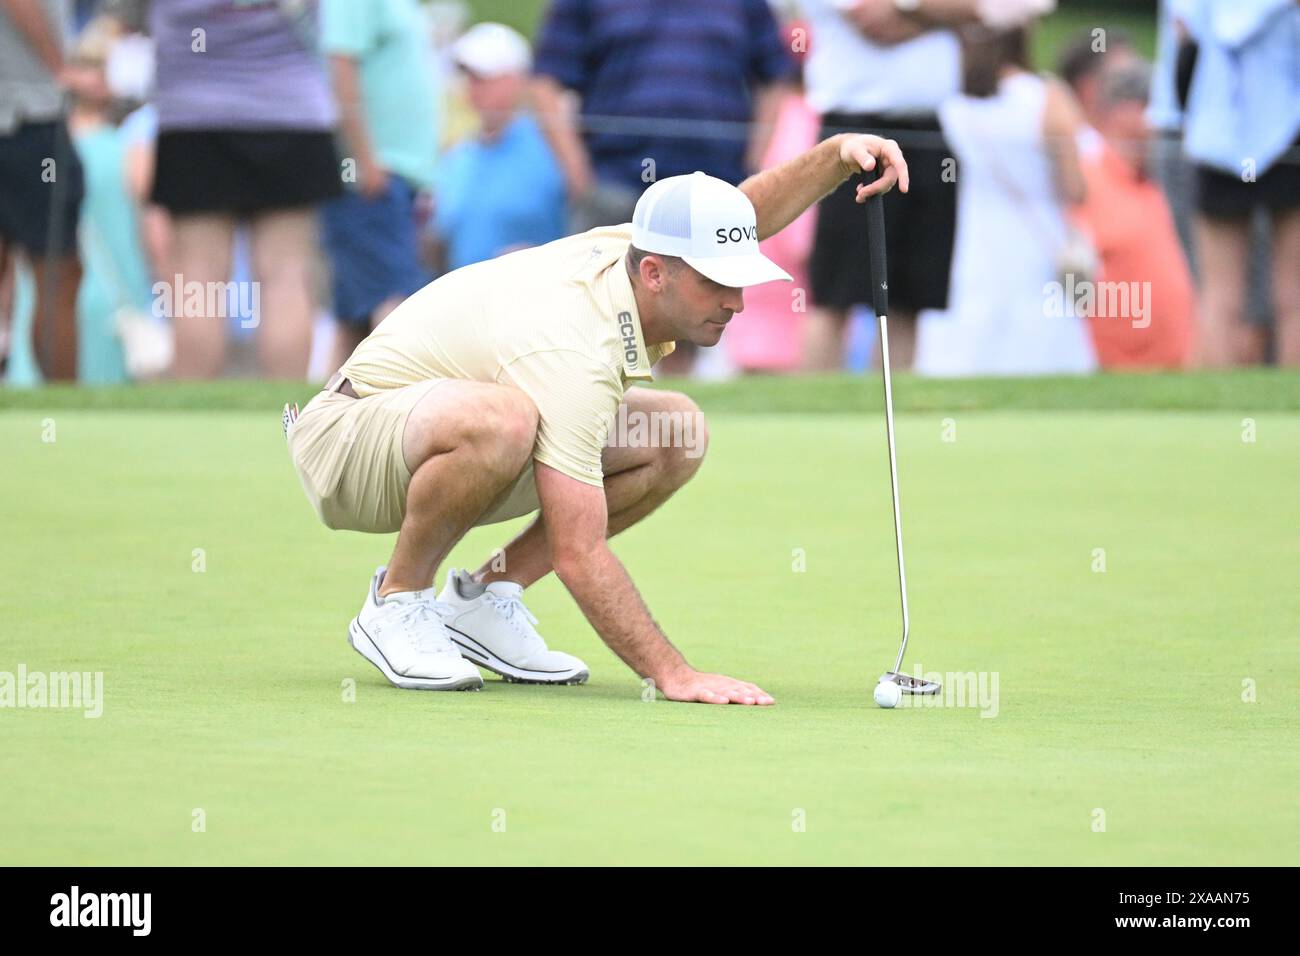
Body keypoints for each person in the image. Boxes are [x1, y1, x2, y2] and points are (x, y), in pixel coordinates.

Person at [286, 133, 908, 705]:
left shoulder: (636, 255)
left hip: (433, 429)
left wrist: (834, 156)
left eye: (738, 281)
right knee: (504, 420)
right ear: (656, 274)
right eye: (718, 283)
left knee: (676, 432)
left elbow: (741, 215)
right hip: (347, 441)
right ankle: (396, 600)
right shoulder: (574, 349)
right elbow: (577, 551)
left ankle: (481, 601)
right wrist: (673, 672)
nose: (736, 302)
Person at [147, 0, 340, 379]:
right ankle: (285, 421)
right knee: (286, 275)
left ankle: (190, 419)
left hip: (194, 117)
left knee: (198, 278)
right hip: (291, 114)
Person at [917, 23, 1096, 376]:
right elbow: (1076, 188)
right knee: (1040, 335)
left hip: (973, 237)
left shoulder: (952, 103)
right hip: (1037, 236)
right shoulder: (1046, 97)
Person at [1176, 0, 1300, 366]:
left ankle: (1215, 417)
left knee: (1219, 296)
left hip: (1218, 137)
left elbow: (1186, 41)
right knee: (1293, 295)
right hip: (1286, 133)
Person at [319, 0, 440, 375]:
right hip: (372, 178)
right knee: (395, 305)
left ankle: (322, 423)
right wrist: (365, 160)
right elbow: (340, 63)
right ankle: (395, 417)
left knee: (356, 315)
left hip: (387, 178)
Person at [1073, 60, 1197, 369]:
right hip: (1110, 371)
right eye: (1151, 108)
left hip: (1176, 370)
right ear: (1123, 110)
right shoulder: (1085, 180)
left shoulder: (1159, 183)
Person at [431, 22, 565, 272]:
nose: (473, 87)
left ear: (517, 80)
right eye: (469, 77)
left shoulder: (553, 149)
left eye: (483, 78)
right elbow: (437, 240)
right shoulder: (457, 157)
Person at [0, 0, 87, 381]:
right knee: (57, 272)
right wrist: (61, 68)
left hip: (23, 116)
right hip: (25, 118)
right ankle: (61, 416)